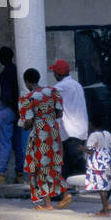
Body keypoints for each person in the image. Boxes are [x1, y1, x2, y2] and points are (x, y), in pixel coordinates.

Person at [17, 68, 69, 209]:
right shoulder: (53, 92)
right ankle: (64, 194)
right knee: (54, 165)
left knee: (40, 168)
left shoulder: (29, 98)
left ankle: (47, 203)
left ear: (26, 82)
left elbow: (27, 123)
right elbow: (59, 113)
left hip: (40, 135)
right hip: (53, 132)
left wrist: (30, 123)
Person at [0, 45, 26, 184]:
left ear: (3, 58)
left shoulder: (4, 73)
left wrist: (11, 108)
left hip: (8, 109)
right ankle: (20, 173)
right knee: (18, 143)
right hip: (18, 109)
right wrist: (18, 110)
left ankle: (0, 173)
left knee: (5, 142)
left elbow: (7, 95)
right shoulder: (17, 70)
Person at [49, 59, 89, 185]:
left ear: (59, 74)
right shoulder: (77, 85)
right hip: (80, 128)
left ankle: (102, 181)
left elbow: (47, 96)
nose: (54, 75)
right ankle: (61, 189)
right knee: (67, 161)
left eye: (54, 72)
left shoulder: (60, 87)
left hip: (72, 130)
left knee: (77, 161)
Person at [85, 117, 111, 216]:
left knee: (101, 187)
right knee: (105, 185)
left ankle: (105, 210)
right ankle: (105, 207)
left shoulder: (93, 135)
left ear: (92, 125)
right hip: (108, 161)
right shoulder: (107, 134)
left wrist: (81, 148)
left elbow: (90, 150)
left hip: (98, 163)